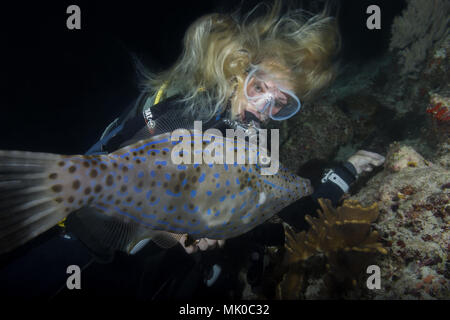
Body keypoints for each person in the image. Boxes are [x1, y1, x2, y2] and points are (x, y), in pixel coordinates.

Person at [0, 1, 384, 300]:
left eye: (282, 103)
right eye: (259, 88)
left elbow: (289, 203)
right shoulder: (187, 109)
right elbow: (137, 161)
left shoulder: (245, 135)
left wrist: (344, 171)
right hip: (88, 243)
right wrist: (182, 223)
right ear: (239, 74)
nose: (264, 109)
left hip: (134, 261)